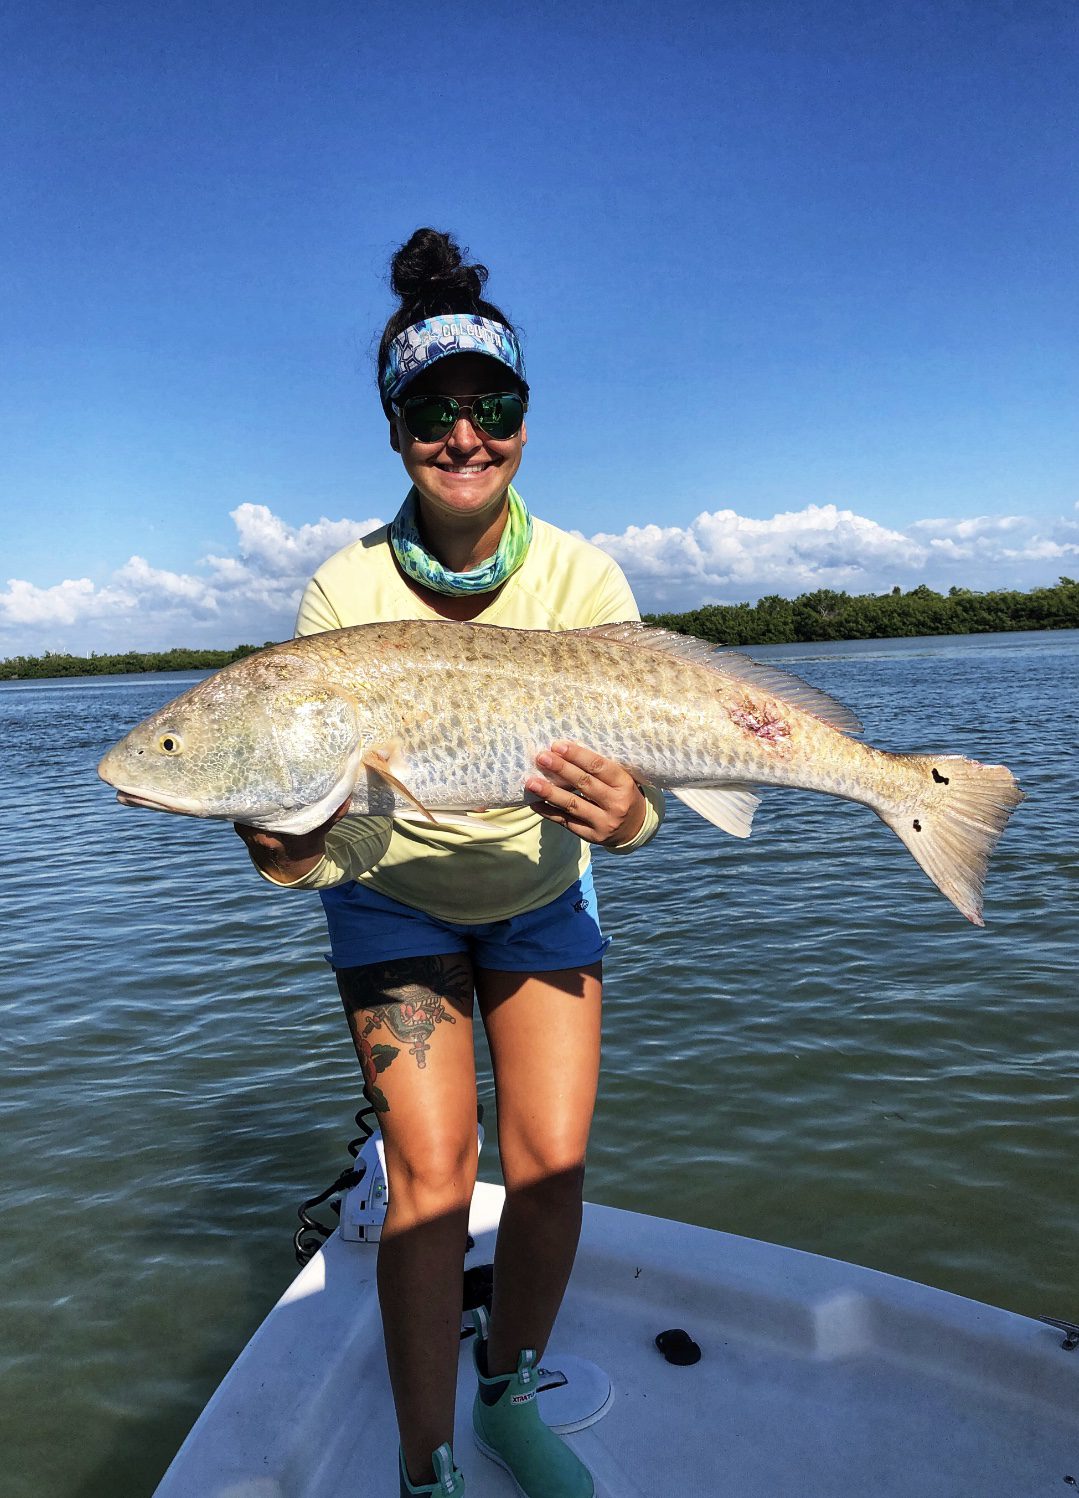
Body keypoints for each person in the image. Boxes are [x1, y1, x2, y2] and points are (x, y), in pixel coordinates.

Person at [236, 228, 664, 1498]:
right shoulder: (341, 592)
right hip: (395, 907)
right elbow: (343, 834)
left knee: (551, 1167)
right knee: (429, 1181)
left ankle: (510, 1394)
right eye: (433, 410)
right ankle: (425, 1462)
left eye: (493, 407)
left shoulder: (584, 577)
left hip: (540, 898)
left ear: (525, 419)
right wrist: (292, 851)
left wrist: (629, 821)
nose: (465, 435)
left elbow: (639, 793)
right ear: (393, 426)